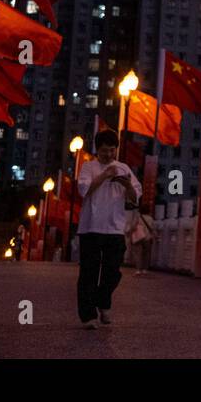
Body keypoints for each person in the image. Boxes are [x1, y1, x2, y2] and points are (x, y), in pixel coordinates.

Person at [76, 129, 142, 329]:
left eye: (112, 150)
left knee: (112, 272)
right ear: (97, 150)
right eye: (104, 151)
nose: (108, 155)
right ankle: (88, 316)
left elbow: (134, 197)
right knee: (89, 272)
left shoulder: (124, 168)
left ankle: (103, 302)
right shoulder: (88, 167)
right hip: (90, 228)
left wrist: (127, 184)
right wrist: (105, 175)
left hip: (115, 228)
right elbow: (84, 191)